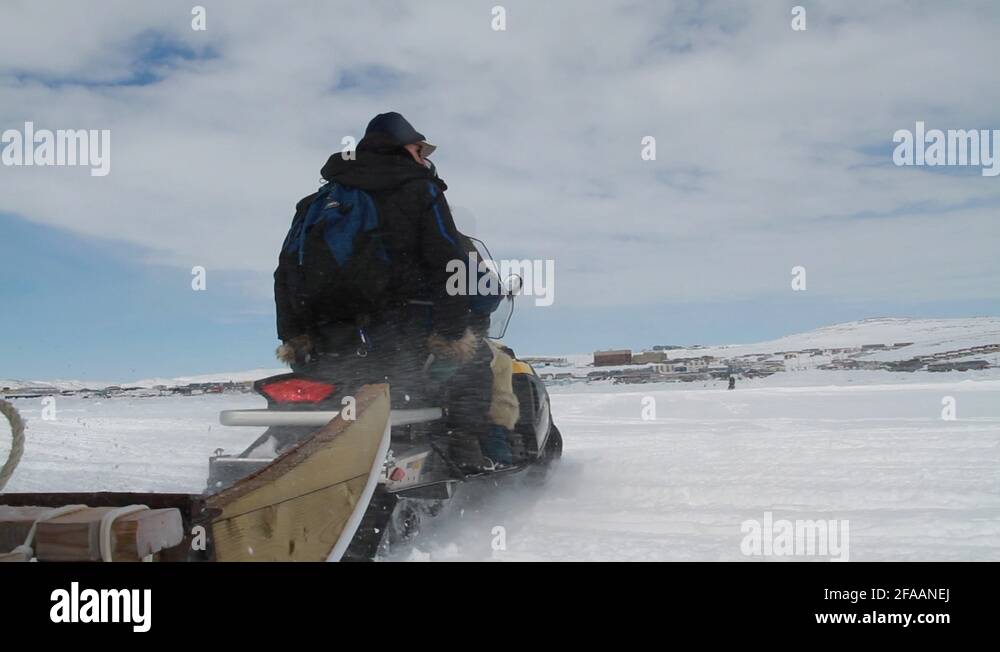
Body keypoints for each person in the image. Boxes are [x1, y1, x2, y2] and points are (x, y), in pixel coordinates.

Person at [273, 112, 515, 470]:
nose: (424, 158)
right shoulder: (419, 189)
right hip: (404, 339)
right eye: (420, 149)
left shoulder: (316, 202)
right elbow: (451, 264)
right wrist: (450, 338)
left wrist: (295, 338)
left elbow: (285, 272)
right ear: (404, 147)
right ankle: (467, 450)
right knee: (475, 365)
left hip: (331, 344)